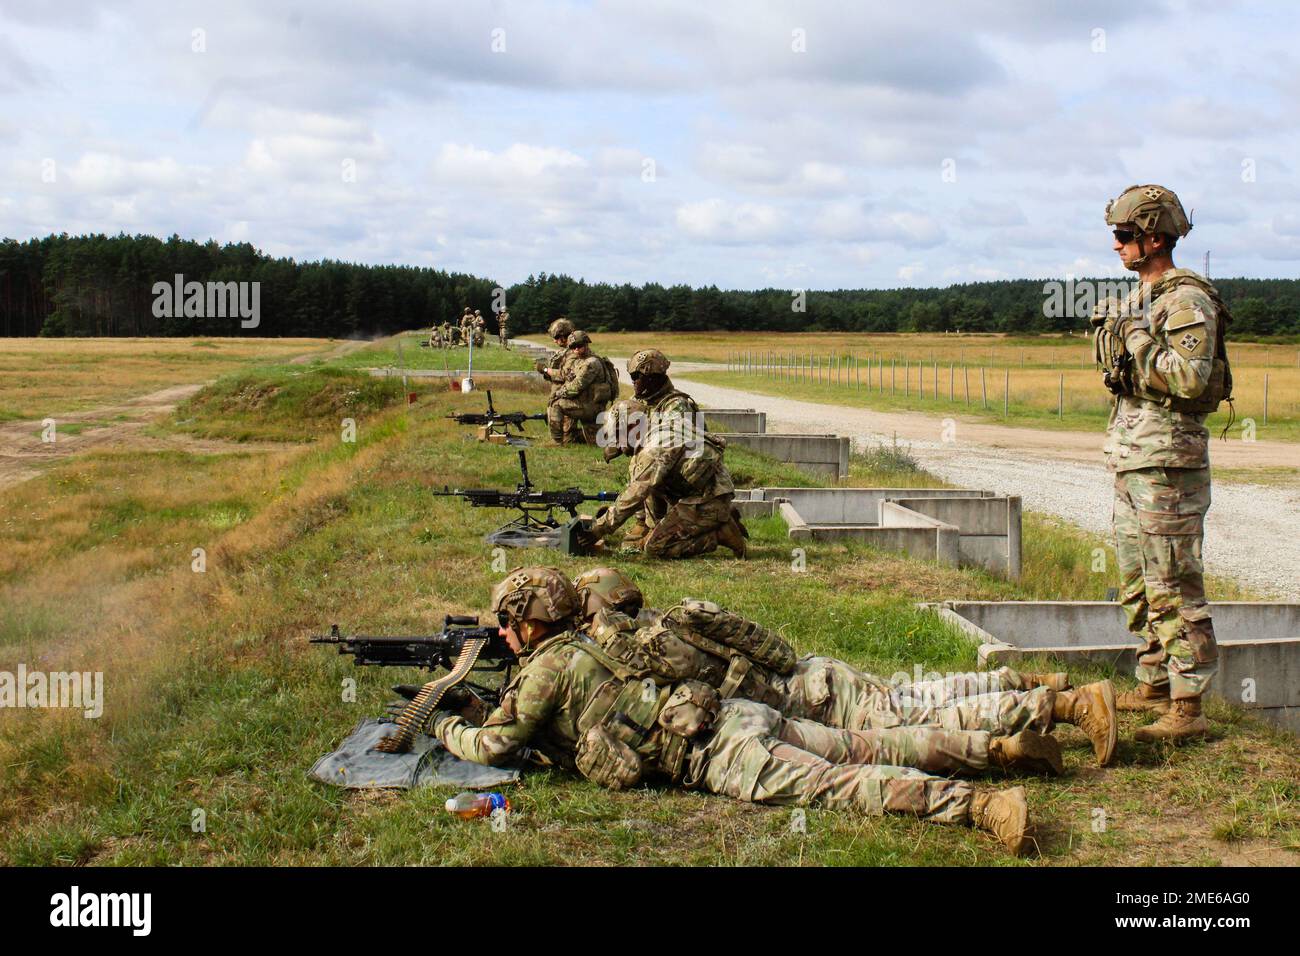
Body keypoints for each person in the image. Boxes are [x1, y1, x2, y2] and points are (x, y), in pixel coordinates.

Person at [426, 567, 1039, 854]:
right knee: (872, 747)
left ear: (529, 621)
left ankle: (979, 805)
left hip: (718, 753)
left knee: (843, 785)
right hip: (738, 713)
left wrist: (445, 724)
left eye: (508, 623)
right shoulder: (598, 638)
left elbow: (495, 746)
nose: (504, 634)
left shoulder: (547, 669)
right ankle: (1000, 750)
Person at [569, 566, 1117, 766]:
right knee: (924, 699)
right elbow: (773, 649)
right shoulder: (677, 619)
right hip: (816, 679)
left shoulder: (648, 650)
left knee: (925, 721)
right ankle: (1038, 684)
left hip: (817, 699)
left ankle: (1065, 706)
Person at [1094, 184, 1232, 742]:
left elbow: (1190, 377)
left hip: (1169, 462)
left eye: (1125, 236)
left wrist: (1135, 340)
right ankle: (1152, 682)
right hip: (1134, 456)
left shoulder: (1185, 300)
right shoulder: (1139, 301)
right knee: (1136, 580)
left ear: (1154, 237)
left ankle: (1188, 708)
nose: (1117, 247)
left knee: (1173, 581)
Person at [584, 350, 748, 559]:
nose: (634, 382)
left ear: (652, 377)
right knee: (641, 466)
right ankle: (654, 524)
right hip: (685, 487)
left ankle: (719, 533)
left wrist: (601, 527)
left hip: (703, 495)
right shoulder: (644, 406)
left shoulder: (676, 409)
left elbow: (642, 485)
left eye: (637, 377)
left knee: (655, 548)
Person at [548, 330, 614, 445]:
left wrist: (558, 393)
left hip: (590, 406)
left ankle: (556, 442)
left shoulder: (590, 363)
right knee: (595, 442)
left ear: (586, 344)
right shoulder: (581, 360)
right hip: (591, 404)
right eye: (573, 347)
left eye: (579, 346)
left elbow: (575, 387)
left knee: (555, 404)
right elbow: (569, 377)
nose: (576, 350)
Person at [536, 318, 576, 443]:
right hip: (560, 394)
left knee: (567, 437)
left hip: (569, 396)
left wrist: (546, 370)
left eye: (557, 337)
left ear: (564, 336)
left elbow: (565, 375)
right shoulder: (565, 352)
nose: (555, 340)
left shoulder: (573, 353)